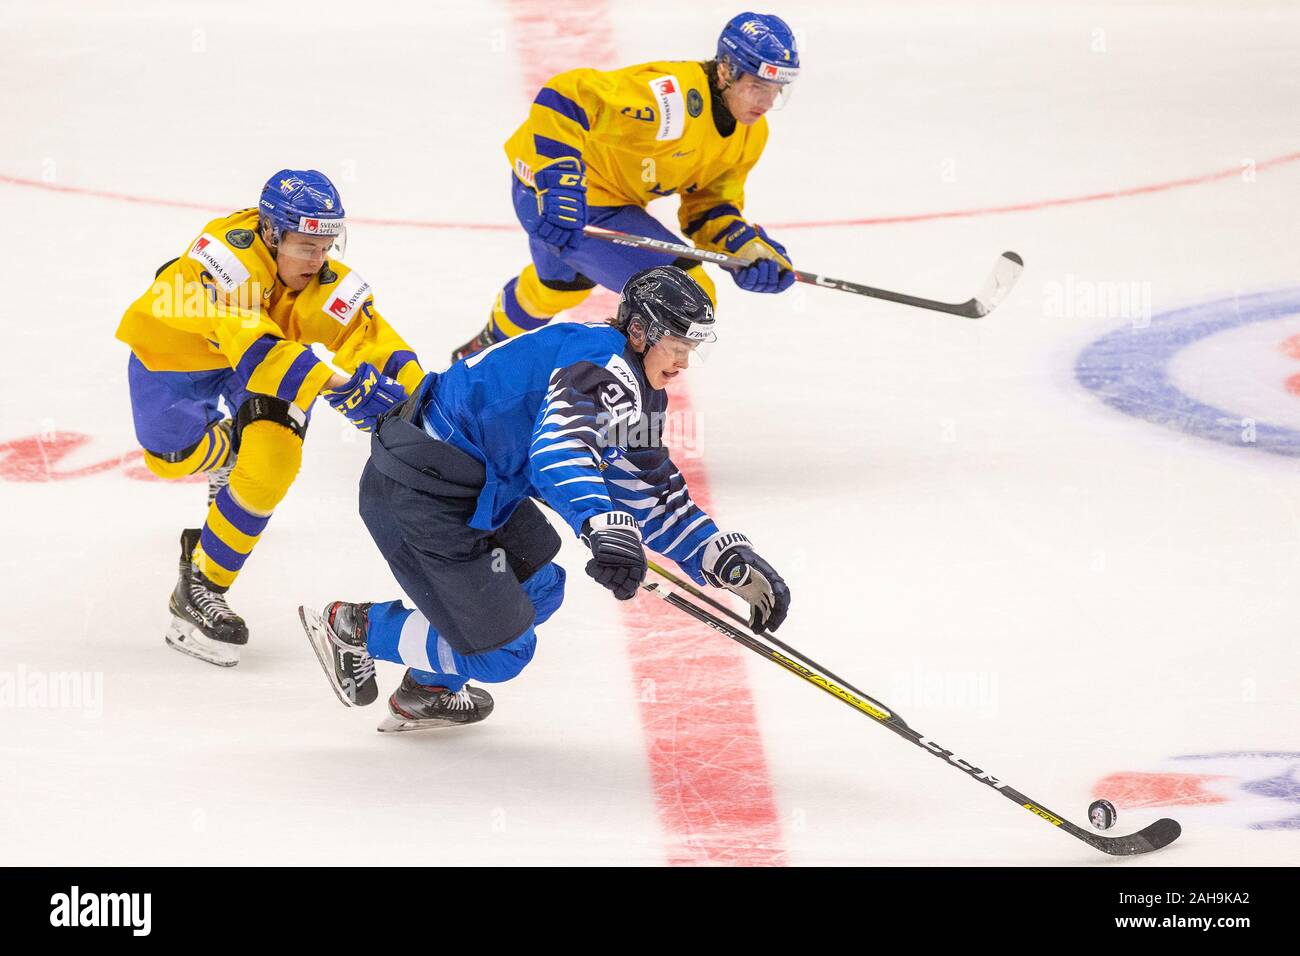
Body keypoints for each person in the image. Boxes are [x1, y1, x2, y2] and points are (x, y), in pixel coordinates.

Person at [301, 266, 790, 732]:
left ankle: (426, 691)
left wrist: (722, 557)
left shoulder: (631, 381)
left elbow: (651, 490)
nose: (684, 362)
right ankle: (357, 627)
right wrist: (604, 525)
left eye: (693, 348)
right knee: (501, 654)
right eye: (678, 345)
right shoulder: (601, 367)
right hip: (419, 491)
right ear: (640, 331)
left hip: (472, 484)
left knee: (541, 587)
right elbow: (558, 449)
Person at [116, 169, 424, 666]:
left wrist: (426, 396)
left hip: (261, 363)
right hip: (174, 356)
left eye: (326, 245)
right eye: (306, 246)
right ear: (271, 232)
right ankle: (229, 452)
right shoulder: (222, 260)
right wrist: (343, 385)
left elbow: (372, 338)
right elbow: (253, 345)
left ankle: (202, 585)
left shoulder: (322, 277)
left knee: (274, 463)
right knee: (170, 460)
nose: (319, 258)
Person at [448, 12, 800, 363]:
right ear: (726, 70)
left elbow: (708, 208)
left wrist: (745, 248)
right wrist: (561, 184)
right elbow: (564, 98)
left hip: (603, 201)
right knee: (685, 294)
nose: (767, 102)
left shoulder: (751, 133)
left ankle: (480, 351)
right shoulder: (671, 103)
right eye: (757, 86)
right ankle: (616, 392)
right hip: (553, 192)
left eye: (776, 91)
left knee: (555, 289)